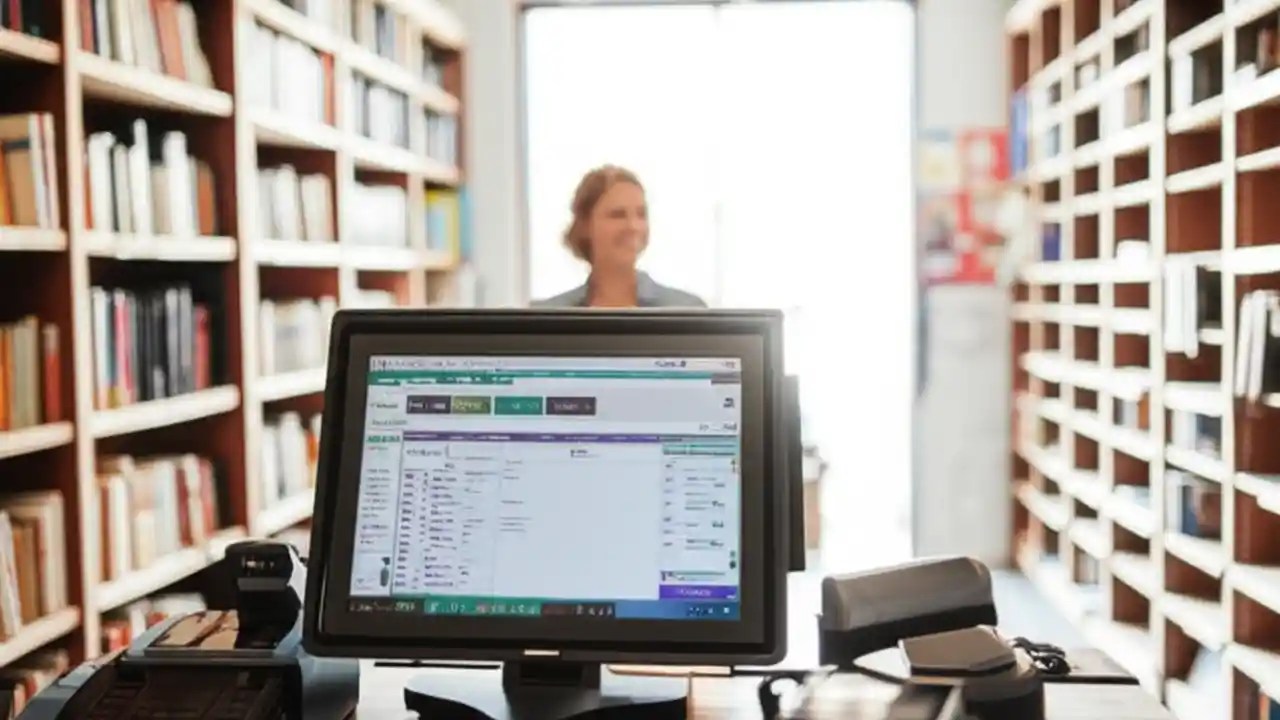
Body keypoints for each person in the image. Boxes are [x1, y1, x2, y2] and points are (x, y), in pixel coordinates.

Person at [534, 165, 706, 308]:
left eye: (641, 214)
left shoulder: (685, 309)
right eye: (617, 215)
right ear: (585, 225)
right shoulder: (548, 316)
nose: (633, 226)